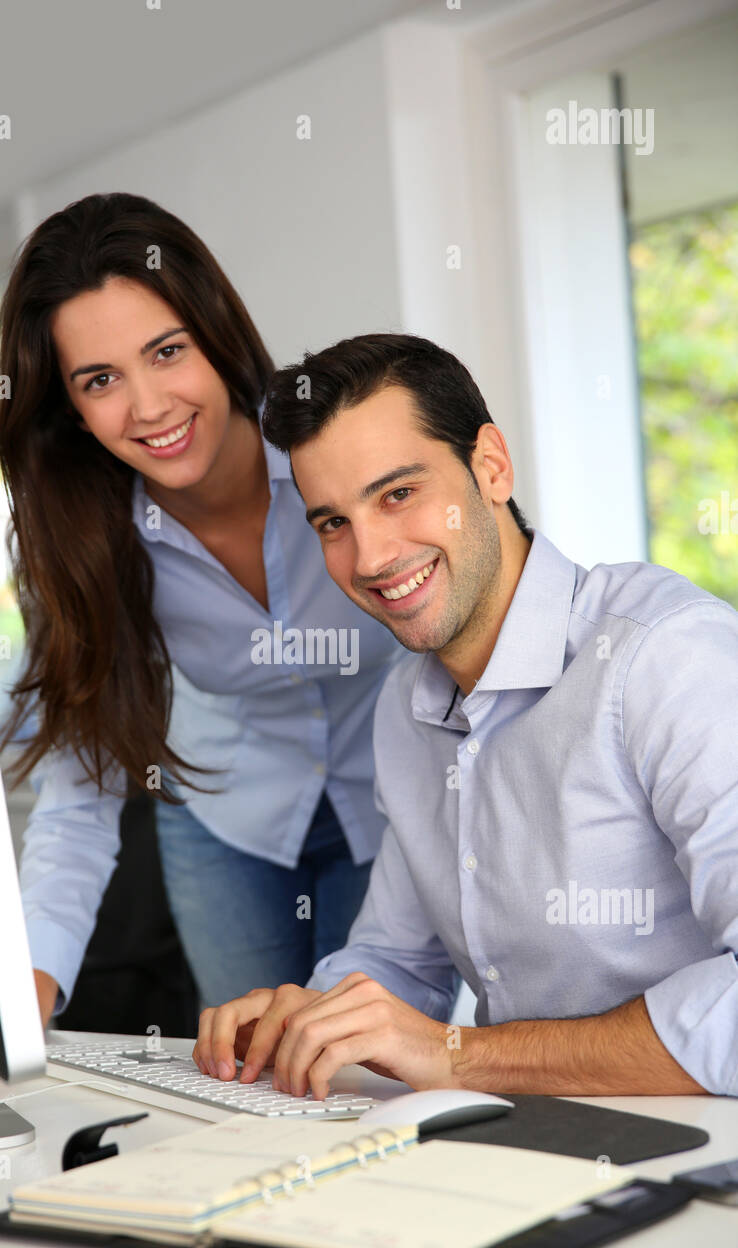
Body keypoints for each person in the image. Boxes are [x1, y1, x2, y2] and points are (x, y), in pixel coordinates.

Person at [0, 193, 401, 1077]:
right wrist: (24, 981)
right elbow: (80, 792)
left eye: (166, 352)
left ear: (215, 333)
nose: (148, 405)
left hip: (396, 807)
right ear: (71, 410)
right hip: (229, 825)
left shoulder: (332, 450)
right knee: (254, 1079)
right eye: (100, 380)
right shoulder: (85, 543)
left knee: (365, 1074)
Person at [193, 333, 738, 1099]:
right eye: (332, 524)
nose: (372, 556)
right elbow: (401, 962)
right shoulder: (403, 707)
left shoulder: (667, 658)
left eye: (398, 494)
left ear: (491, 466)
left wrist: (461, 1056)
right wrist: (311, 1017)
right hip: (526, 1148)